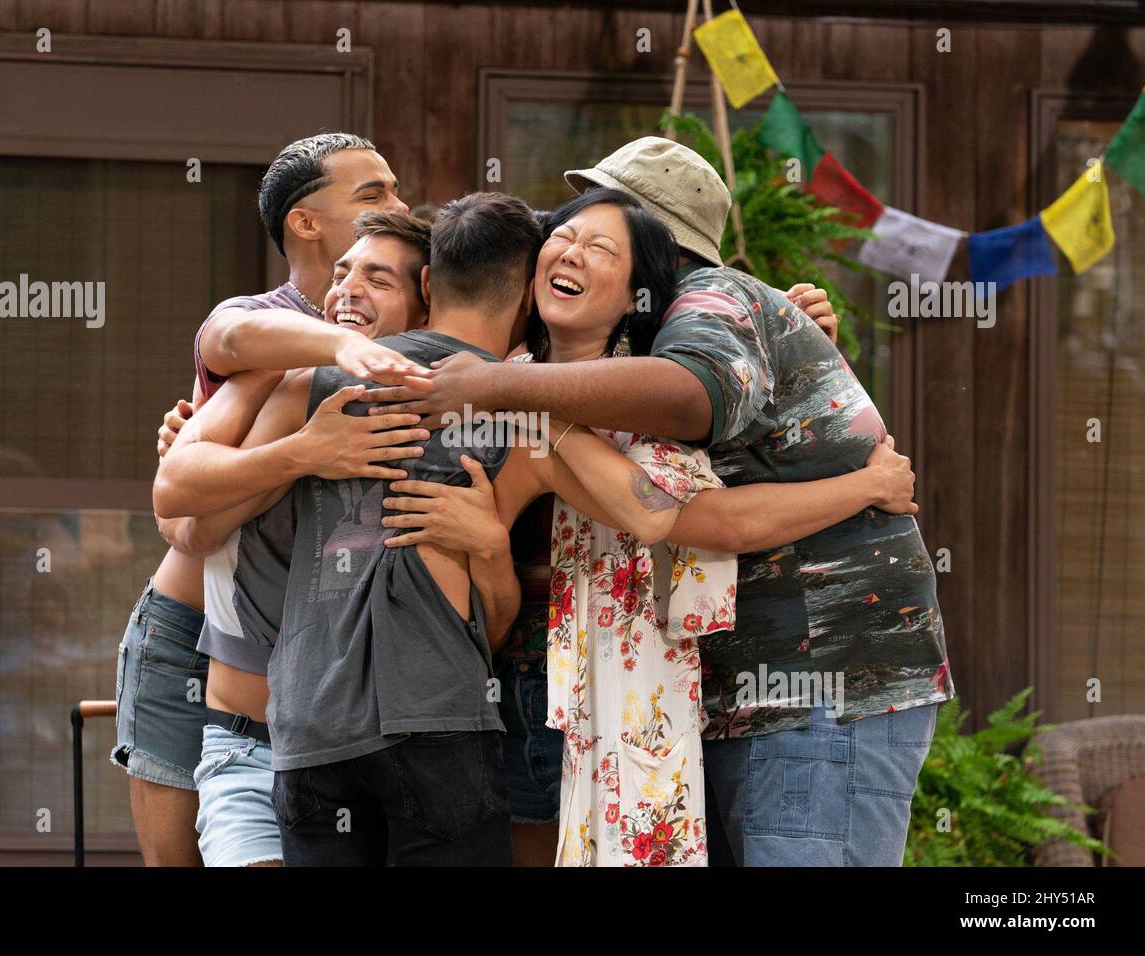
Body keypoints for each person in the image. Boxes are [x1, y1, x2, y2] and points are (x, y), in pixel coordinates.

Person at [364, 138, 953, 867]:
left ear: (655, 256)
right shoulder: (570, 366)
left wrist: (502, 391)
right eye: (567, 232)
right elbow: (502, 511)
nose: (569, 246)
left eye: (604, 238)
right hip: (675, 693)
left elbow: (677, 470)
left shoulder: (708, 307)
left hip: (819, 677)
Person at [114, 131, 408, 865]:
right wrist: (336, 352)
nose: (396, 205)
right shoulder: (259, 318)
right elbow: (185, 525)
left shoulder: (406, 326)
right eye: (372, 194)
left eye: (395, 192)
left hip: (317, 666)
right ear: (305, 223)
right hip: (189, 633)